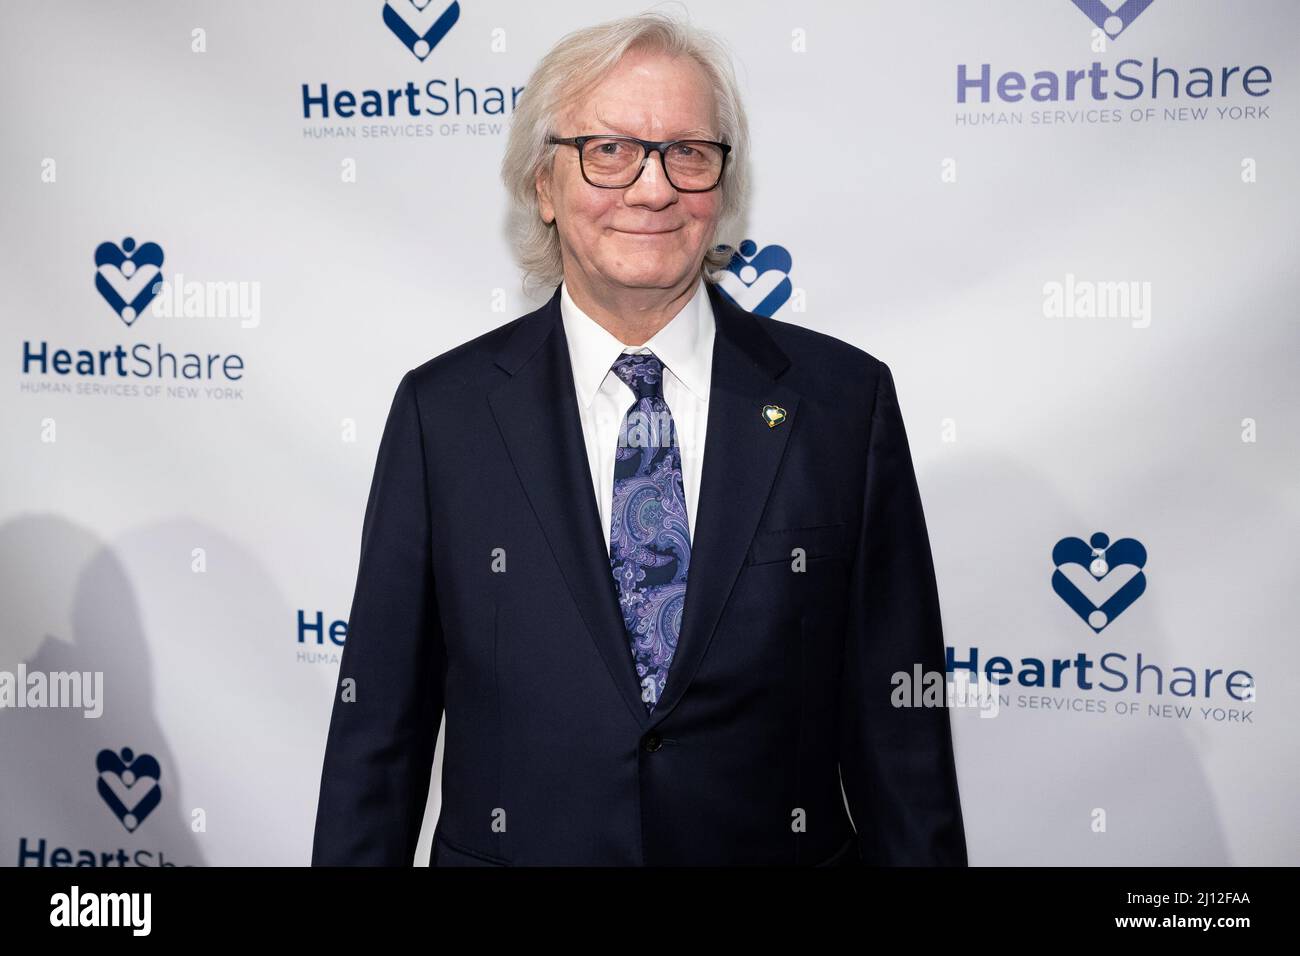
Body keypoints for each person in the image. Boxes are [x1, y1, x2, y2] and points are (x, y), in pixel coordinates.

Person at [311, 11, 967, 866]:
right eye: (610, 150)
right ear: (542, 185)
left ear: (724, 188)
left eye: (688, 153)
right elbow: (380, 740)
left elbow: (901, 743)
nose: (653, 189)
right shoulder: (445, 415)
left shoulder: (843, 406)